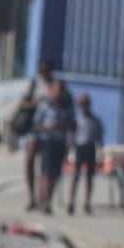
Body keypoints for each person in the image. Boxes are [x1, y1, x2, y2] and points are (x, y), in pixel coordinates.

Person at [16, 59, 59, 211]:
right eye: (41, 70)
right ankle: (31, 197)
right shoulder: (34, 84)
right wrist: (37, 104)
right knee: (29, 160)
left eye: (46, 70)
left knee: (45, 166)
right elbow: (22, 103)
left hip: (49, 130)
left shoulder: (55, 85)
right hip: (34, 127)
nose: (43, 73)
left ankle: (43, 199)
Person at [33, 80, 74, 214]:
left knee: (55, 173)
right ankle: (43, 200)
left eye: (61, 90)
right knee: (46, 172)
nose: (59, 93)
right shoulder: (45, 105)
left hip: (60, 142)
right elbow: (36, 124)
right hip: (47, 140)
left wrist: (62, 125)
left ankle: (48, 200)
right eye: (57, 90)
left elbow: (73, 125)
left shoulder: (67, 107)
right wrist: (48, 127)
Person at [68, 92, 104, 215]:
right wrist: (68, 152)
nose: (84, 106)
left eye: (85, 103)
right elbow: (71, 136)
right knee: (76, 175)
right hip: (79, 148)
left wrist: (100, 155)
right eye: (81, 104)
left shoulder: (95, 121)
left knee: (89, 177)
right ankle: (71, 202)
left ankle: (87, 202)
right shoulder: (76, 120)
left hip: (90, 147)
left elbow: (99, 138)